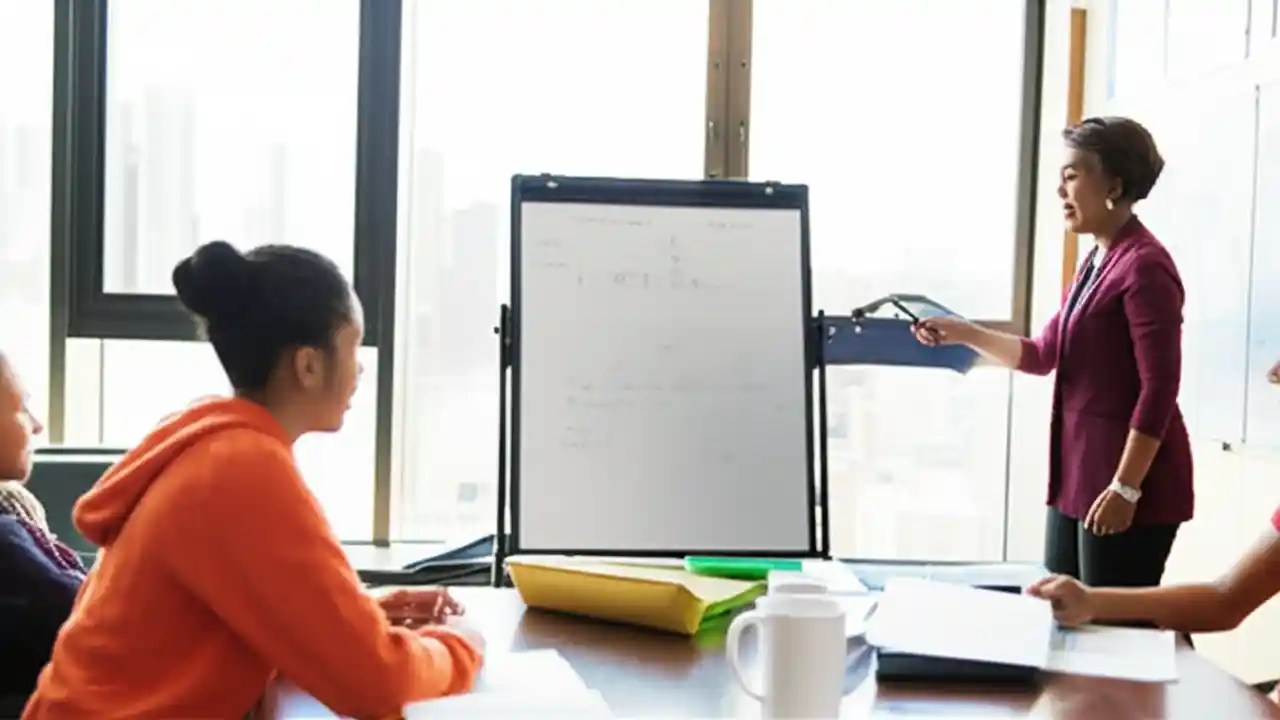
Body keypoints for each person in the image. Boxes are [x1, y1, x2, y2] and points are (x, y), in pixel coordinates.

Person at [24, 242, 483, 719]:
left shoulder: (209, 440)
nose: (361, 368)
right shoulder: (242, 470)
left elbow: (235, 608)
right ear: (308, 365)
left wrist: (362, 611)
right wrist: (459, 648)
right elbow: (375, 680)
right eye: (353, 346)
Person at [915, 116, 1190, 589]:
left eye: (1072, 176)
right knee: (1061, 613)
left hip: (1127, 485)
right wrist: (964, 332)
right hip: (1078, 478)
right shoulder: (1097, 261)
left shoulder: (1145, 267)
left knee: (1113, 636)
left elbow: (1160, 387)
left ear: (1114, 185)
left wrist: (1126, 487)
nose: (1061, 192)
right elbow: (1043, 354)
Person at [0, 353, 85, 708]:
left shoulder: (13, 509)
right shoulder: (6, 543)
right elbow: (89, 620)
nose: (37, 426)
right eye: (22, 409)